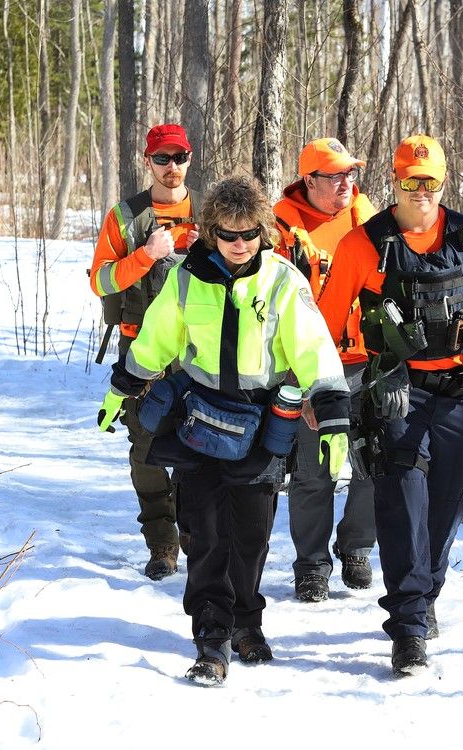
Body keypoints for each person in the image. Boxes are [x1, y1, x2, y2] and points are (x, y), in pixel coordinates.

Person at [97, 175, 351, 686]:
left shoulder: (283, 281)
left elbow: (314, 349)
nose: (239, 245)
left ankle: (247, 622)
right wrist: (122, 387)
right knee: (207, 533)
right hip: (199, 420)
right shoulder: (186, 278)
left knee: (251, 536)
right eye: (229, 234)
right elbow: (157, 339)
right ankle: (211, 637)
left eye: (249, 234)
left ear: (264, 232)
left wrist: (333, 415)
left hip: (261, 428)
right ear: (211, 232)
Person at [317, 135, 463, 677]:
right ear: (396, 181)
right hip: (396, 389)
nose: (422, 191)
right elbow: (323, 322)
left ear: (444, 181)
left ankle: (426, 592)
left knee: (447, 497)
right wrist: (323, 387)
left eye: (431, 181)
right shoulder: (366, 245)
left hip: (461, 388)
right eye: (411, 181)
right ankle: (408, 627)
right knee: (401, 497)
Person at [89, 123, 202, 581]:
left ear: (189, 160)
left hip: (200, 351)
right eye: (162, 158)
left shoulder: (208, 212)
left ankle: (196, 536)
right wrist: (147, 255)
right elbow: (100, 280)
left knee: (203, 445)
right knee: (146, 449)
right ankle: (162, 543)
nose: (171, 167)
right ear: (147, 161)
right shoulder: (125, 217)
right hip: (141, 347)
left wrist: (203, 251)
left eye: (179, 158)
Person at [273, 138, 378, 602]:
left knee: (376, 464)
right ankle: (311, 564)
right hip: (310, 366)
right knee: (315, 470)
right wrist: (295, 375)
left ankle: (357, 546)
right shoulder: (279, 230)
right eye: (334, 175)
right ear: (309, 180)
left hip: (368, 362)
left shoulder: (372, 222)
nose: (346, 183)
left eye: (350, 174)